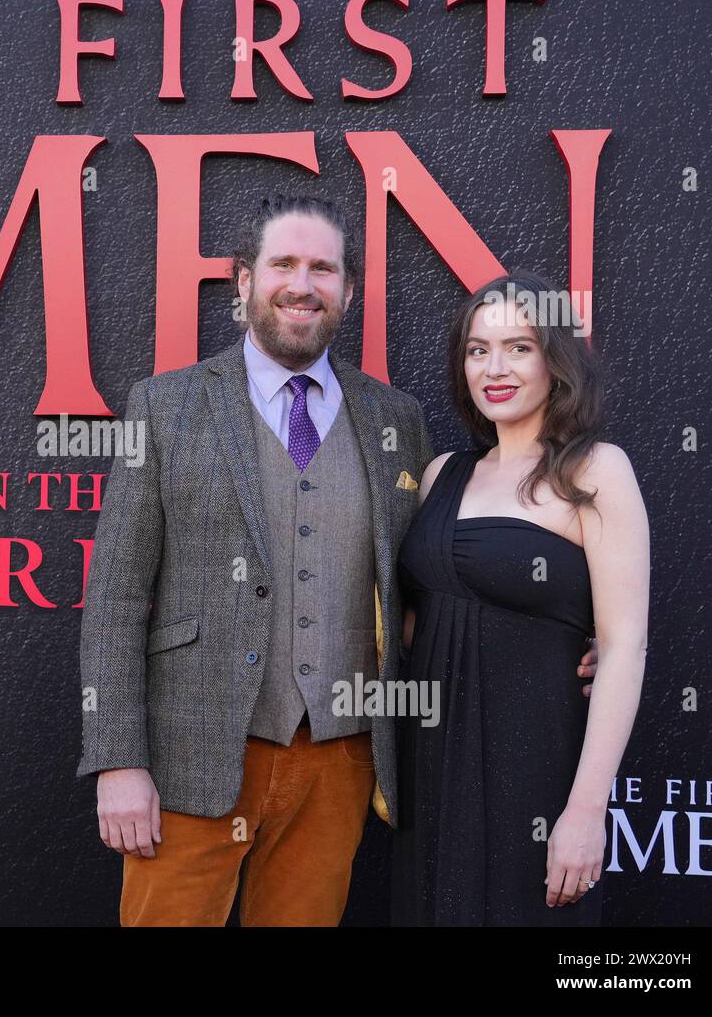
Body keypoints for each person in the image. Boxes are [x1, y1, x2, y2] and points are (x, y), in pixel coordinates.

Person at [75, 196, 598, 925]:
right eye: (283, 264)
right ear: (243, 281)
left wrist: (556, 635)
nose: (302, 283)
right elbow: (116, 598)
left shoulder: (395, 419)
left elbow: (432, 580)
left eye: (323, 267)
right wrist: (117, 760)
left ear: (348, 292)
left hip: (341, 760)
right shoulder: (166, 407)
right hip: (189, 756)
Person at [391, 270, 648, 926]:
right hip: (432, 771)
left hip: (536, 772)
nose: (493, 368)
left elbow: (623, 647)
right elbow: (414, 619)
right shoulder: (441, 475)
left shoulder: (596, 470)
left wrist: (588, 809)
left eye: (518, 347)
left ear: (555, 359)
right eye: (478, 349)